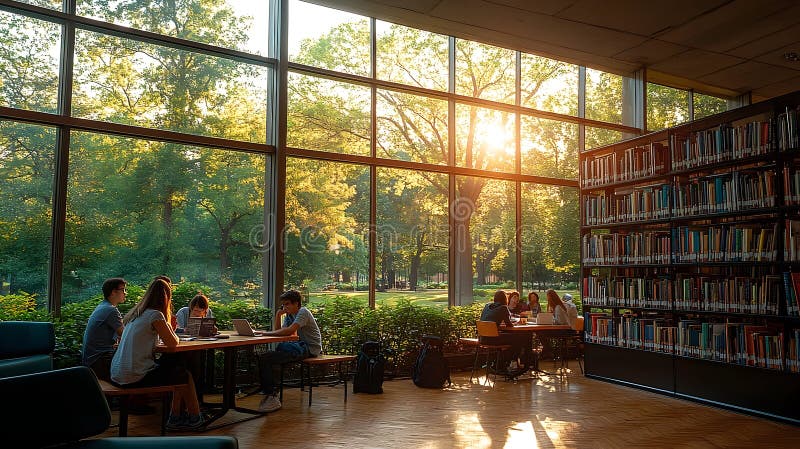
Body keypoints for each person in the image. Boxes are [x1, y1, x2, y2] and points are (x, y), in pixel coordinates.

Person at [110, 278, 204, 430]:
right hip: (134, 376)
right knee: (184, 375)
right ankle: (194, 418)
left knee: (178, 366)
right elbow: (173, 343)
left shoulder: (136, 313)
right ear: (166, 298)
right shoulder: (155, 315)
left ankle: (176, 416)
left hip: (117, 373)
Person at [257, 289, 322, 412]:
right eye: (283, 305)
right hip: (299, 346)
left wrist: (264, 333)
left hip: (310, 349)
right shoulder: (289, 315)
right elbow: (280, 333)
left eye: (287, 304)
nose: (285, 307)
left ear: (296, 303)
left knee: (267, 358)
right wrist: (278, 315)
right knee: (265, 357)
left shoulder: (303, 312)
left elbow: (289, 331)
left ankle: (271, 395)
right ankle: (271, 393)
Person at [81, 278, 126, 381]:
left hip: (91, 360)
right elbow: (126, 336)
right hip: (99, 361)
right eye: (123, 290)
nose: (125, 293)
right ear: (113, 292)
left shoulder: (102, 306)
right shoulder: (111, 310)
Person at [479, 290, 529, 375]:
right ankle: (512, 362)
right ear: (505, 299)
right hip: (493, 339)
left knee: (515, 338)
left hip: (483, 338)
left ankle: (501, 363)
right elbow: (509, 325)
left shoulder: (487, 306)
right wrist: (516, 323)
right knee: (521, 338)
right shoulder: (503, 308)